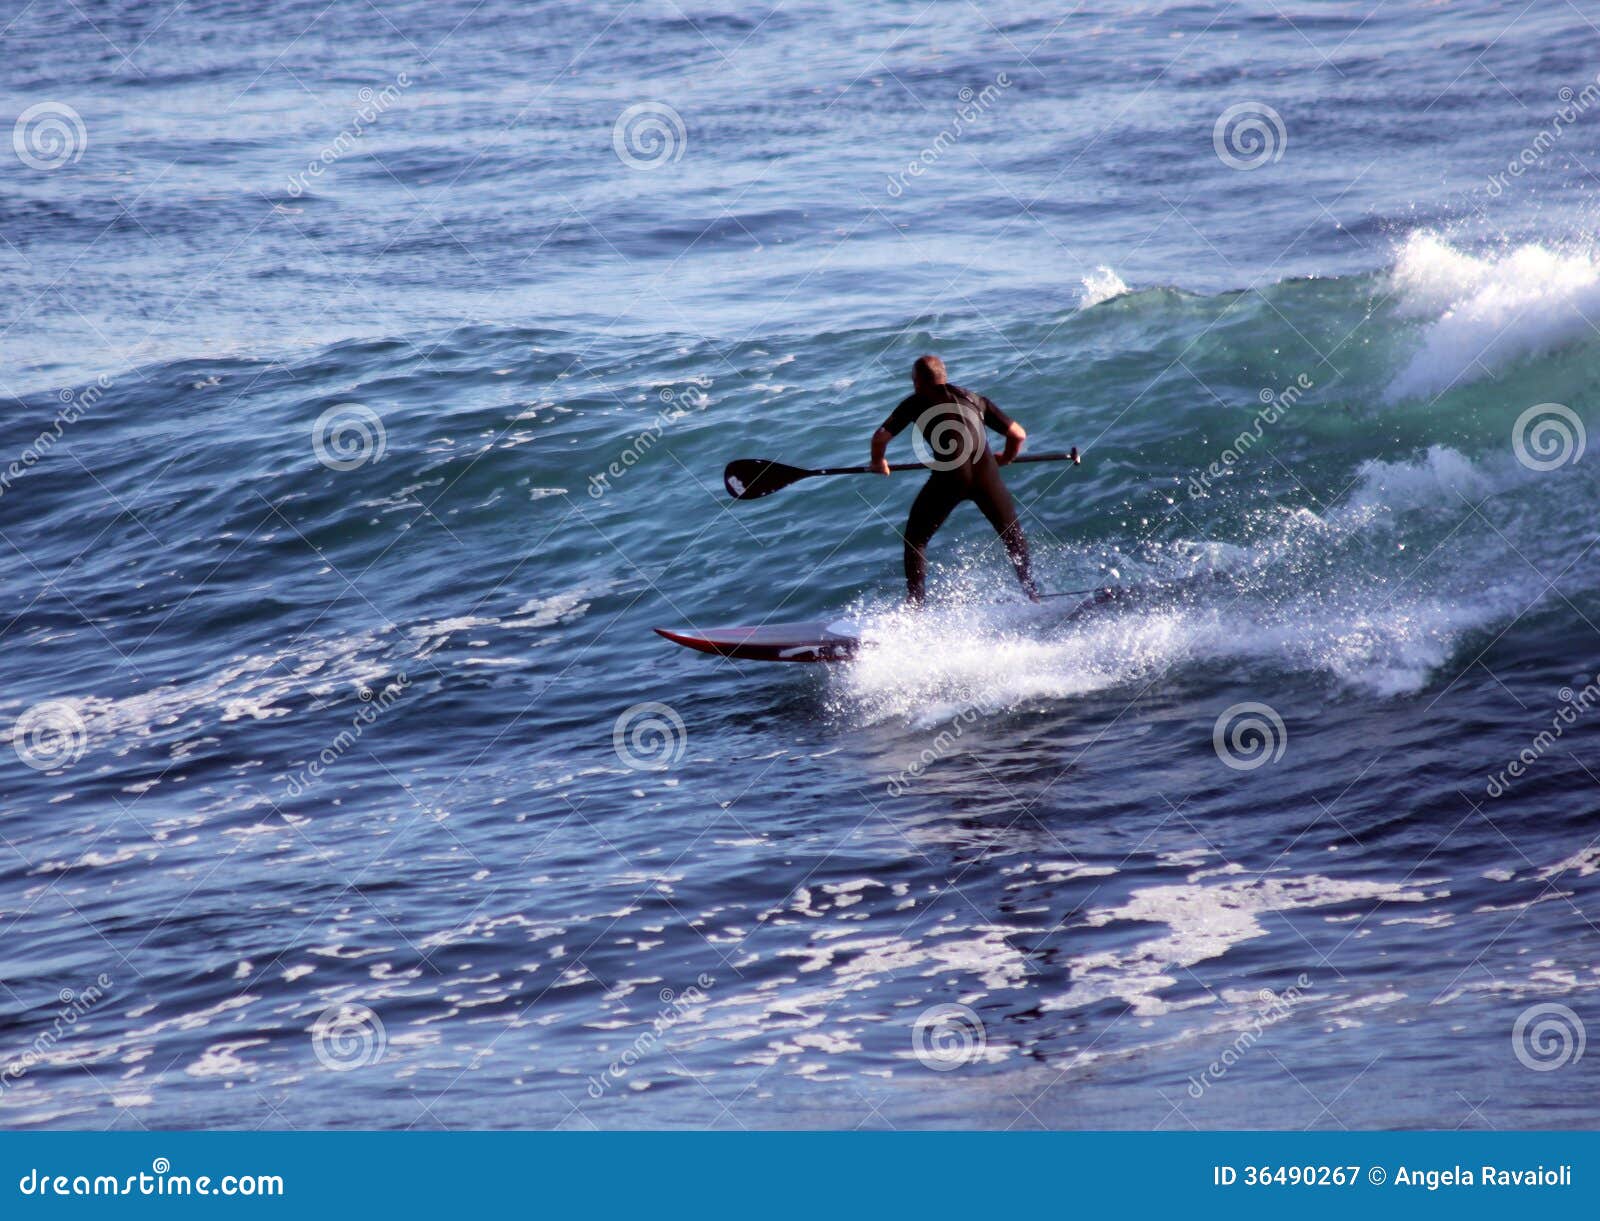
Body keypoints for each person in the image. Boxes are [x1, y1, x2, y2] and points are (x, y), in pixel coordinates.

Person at [870, 355, 1038, 605]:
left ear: (917, 381)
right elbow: (1018, 434)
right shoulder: (974, 398)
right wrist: (1006, 458)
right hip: (987, 476)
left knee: (916, 540)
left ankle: (916, 605)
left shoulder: (915, 402)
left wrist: (878, 462)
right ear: (944, 376)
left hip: (950, 478)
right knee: (1012, 536)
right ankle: (1032, 594)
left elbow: (880, 437)